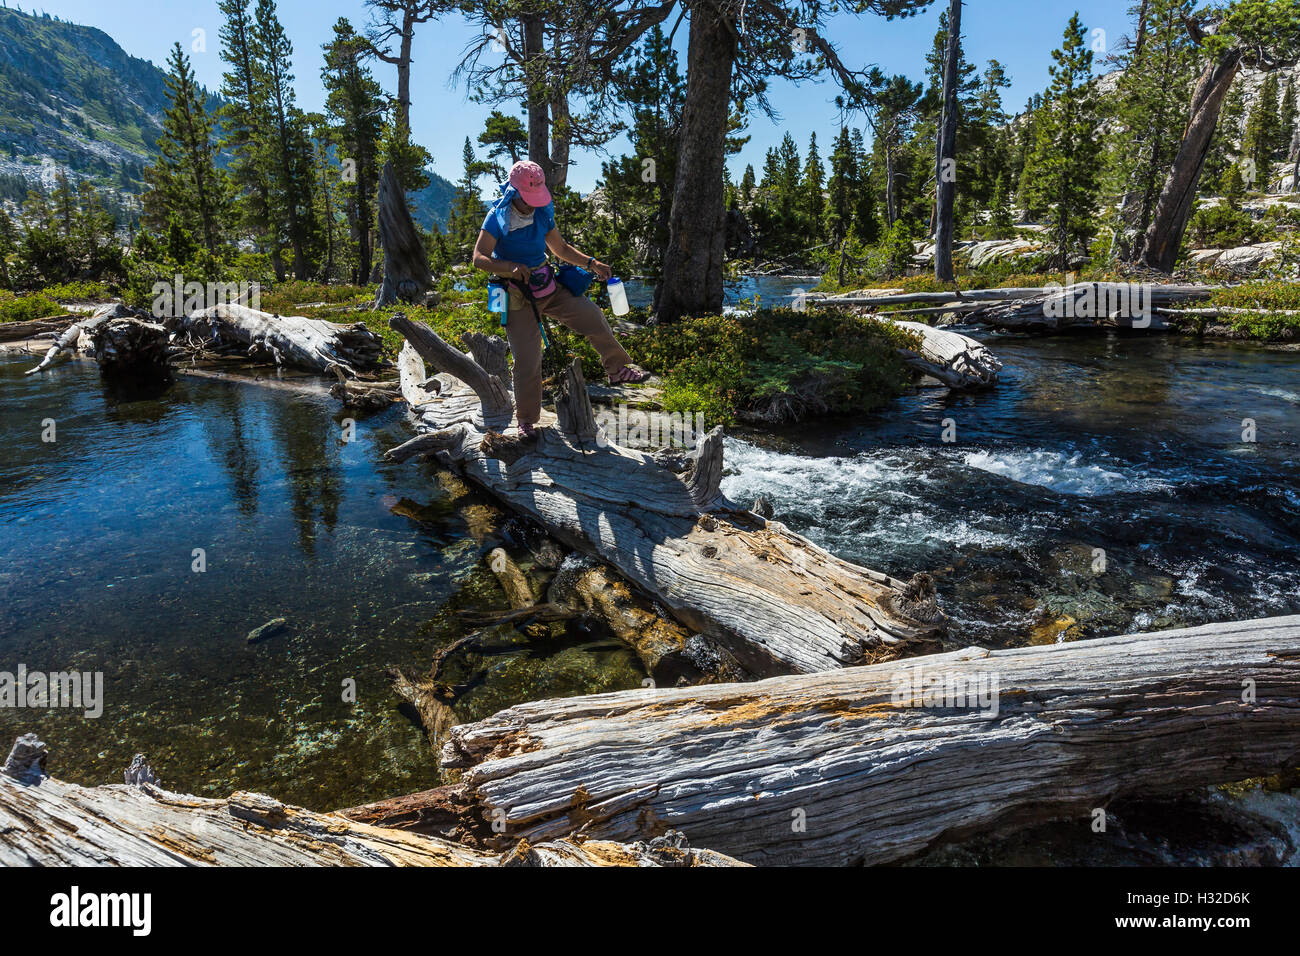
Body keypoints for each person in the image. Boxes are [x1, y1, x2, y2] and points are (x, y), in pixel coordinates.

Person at [473, 160, 648, 437]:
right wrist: (510, 268)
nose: (532, 204)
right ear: (515, 193)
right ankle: (527, 420)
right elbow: (479, 258)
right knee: (528, 360)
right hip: (517, 296)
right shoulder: (497, 217)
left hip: (547, 286)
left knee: (592, 316)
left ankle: (616, 369)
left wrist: (592, 263)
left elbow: (560, 248)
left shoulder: (542, 212)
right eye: (528, 199)